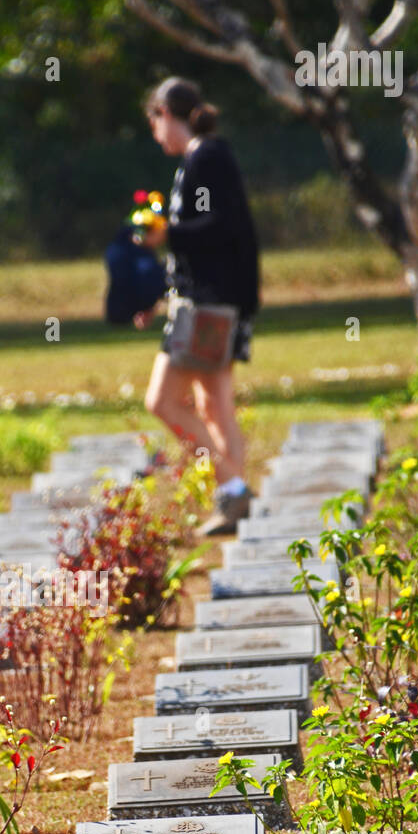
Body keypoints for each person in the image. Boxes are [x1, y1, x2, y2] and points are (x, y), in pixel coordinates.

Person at [135, 76, 260, 535]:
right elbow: (205, 239)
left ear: (166, 115)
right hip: (210, 301)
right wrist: (158, 298)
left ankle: (231, 487)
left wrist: (168, 233)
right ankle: (234, 505)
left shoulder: (207, 156)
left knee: (162, 402)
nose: (155, 135)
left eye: (155, 123)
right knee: (215, 404)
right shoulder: (200, 159)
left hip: (210, 306)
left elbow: (221, 227)